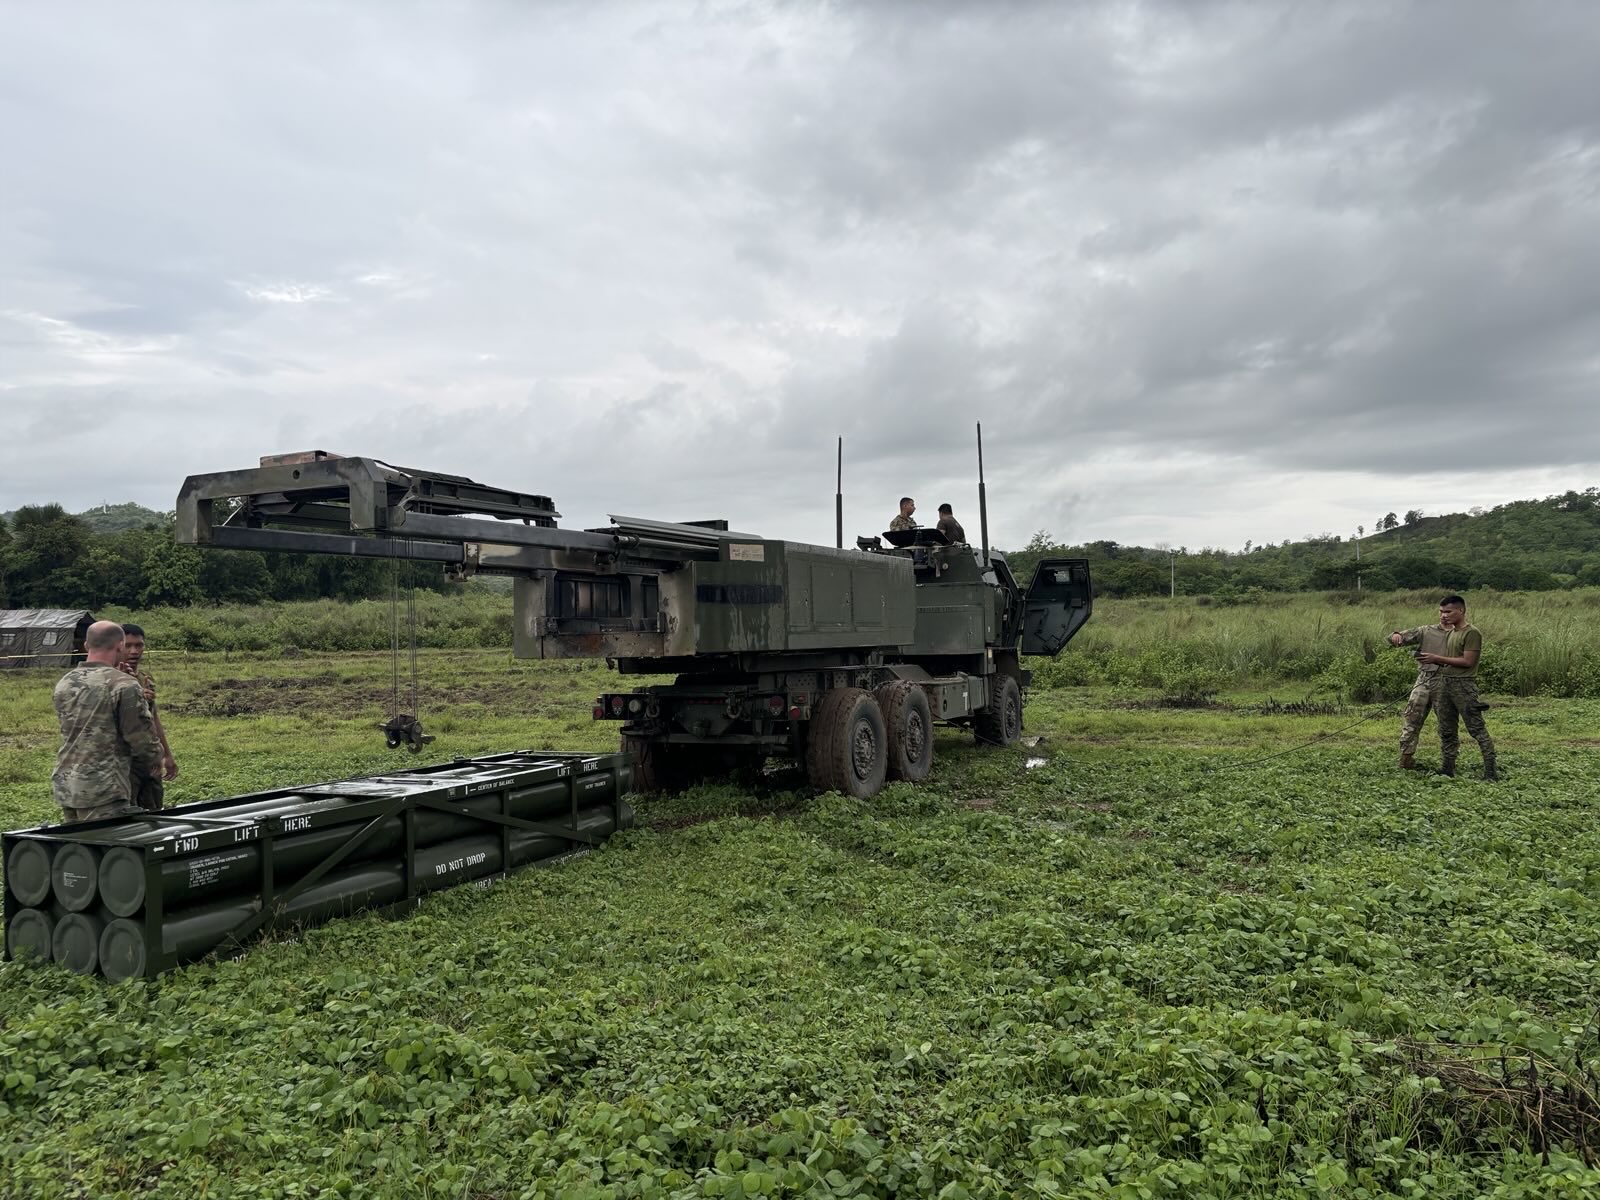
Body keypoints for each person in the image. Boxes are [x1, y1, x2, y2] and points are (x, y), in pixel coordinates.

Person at [52, 620, 163, 823]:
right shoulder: (123, 684)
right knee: (110, 848)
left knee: (79, 850)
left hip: (67, 783)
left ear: (86, 645)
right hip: (104, 788)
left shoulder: (65, 682)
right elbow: (140, 738)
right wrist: (156, 758)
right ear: (120, 646)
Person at [1388, 594, 1497, 780]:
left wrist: (1436, 659)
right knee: (1438, 726)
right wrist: (1396, 636)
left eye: (1448, 611)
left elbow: (1468, 661)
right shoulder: (1435, 631)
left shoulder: (1470, 632)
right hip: (1435, 680)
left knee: (1475, 727)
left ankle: (1490, 770)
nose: (1443, 615)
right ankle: (1443, 766)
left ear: (1461, 611)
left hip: (1458, 684)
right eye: (1441, 612)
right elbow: (1395, 638)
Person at [118, 622, 177, 809]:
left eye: (139, 645)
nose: (134, 651)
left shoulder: (145, 679)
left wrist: (166, 754)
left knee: (154, 810)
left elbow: (153, 718)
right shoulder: (110, 679)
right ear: (118, 646)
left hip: (149, 760)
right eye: (128, 645)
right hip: (124, 763)